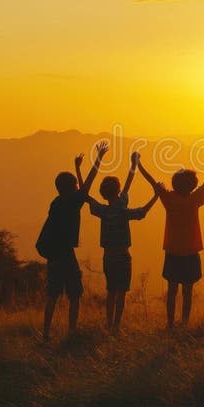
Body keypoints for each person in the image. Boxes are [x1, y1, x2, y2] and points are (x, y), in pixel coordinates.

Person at [36, 141, 108, 340]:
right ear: (72, 188)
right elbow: (88, 184)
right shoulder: (73, 202)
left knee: (52, 295)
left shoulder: (57, 202)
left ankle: (46, 333)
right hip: (66, 254)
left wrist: (77, 167)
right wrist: (99, 158)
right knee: (75, 295)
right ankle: (72, 332)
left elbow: (81, 189)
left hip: (53, 254)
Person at [135, 152, 204, 328]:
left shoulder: (169, 199)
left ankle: (171, 323)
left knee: (172, 291)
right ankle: (185, 323)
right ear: (193, 186)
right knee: (188, 291)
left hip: (173, 251)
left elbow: (151, 180)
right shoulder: (195, 198)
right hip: (191, 251)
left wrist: (138, 163)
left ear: (175, 184)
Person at [84, 152, 158, 334]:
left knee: (111, 291)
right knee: (121, 293)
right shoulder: (123, 208)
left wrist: (90, 165)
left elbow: (85, 196)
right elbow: (141, 210)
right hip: (123, 258)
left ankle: (109, 324)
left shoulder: (102, 210)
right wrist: (156, 196)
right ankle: (116, 325)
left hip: (108, 257)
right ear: (117, 191)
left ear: (104, 193)